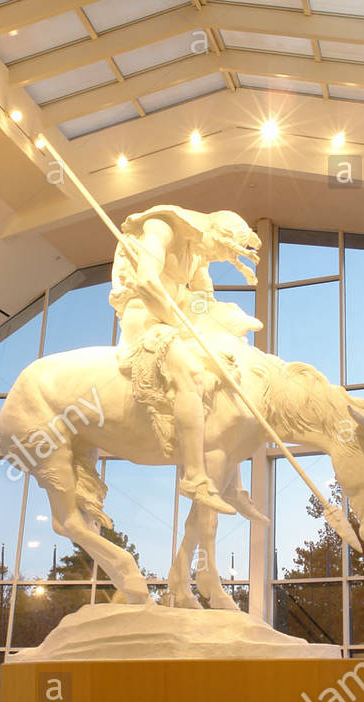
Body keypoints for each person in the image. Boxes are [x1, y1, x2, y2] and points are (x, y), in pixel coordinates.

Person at [110, 205, 261, 515]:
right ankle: (194, 476)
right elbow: (146, 282)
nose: (210, 258)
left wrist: (211, 321)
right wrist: (177, 324)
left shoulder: (197, 249)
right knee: (191, 372)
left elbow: (204, 298)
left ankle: (234, 485)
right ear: (214, 234)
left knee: (227, 365)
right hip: (145, 315)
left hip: (176, 316)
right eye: (217, 252)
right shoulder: (160, 228)